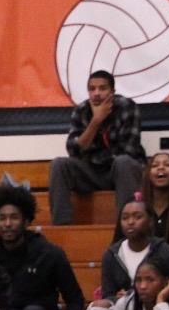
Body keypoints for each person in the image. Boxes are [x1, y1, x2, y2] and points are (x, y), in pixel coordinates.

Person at [49, 69, 145, 226]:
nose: (97, 93)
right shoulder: (81, 110)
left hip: (120, 173)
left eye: (102, 88)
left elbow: (129, 150)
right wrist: (96, 121)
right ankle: (62, 227)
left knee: (123, 162)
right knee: (59, 164)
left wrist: (89, 151)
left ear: (112, 92)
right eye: (92, 89)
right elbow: (73, 151)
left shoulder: (127, 107)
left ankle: (126, 225)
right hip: (92, 172)